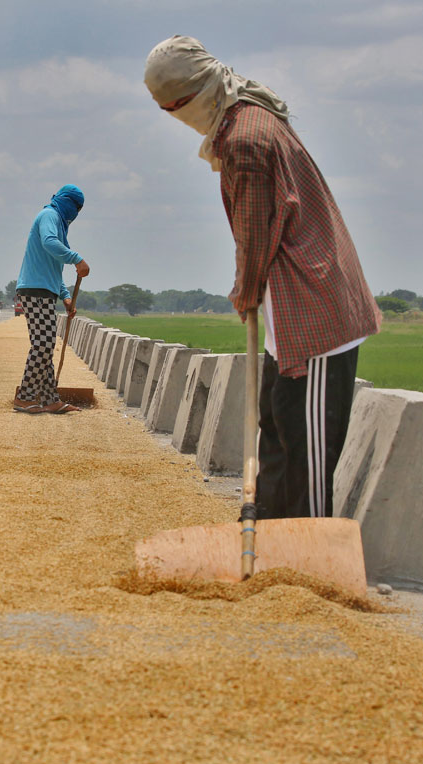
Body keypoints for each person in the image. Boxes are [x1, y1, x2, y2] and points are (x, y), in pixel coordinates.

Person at [143, 36, 382, 518]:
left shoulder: (244, 140)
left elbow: (254, 234)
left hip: (312, 312)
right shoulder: (250, 114)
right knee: (277, 423)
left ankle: (308, 548)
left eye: (176, 108)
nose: (178, 119)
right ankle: (265, 533)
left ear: (197, 93)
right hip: (289, 315)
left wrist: (245, 290)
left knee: (306, 449)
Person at [13, 184, 90, 414]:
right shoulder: (49, 215)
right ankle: (25, 397)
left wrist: (65, 296)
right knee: (43, 345)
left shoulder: (59, 224)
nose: (76, 213)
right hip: (34, 289)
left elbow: (53, 267)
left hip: (45, 290)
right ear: (66, 201)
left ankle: (50, 399)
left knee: (45, 346)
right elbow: (48, 242)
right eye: (76, 207)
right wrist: (76, 259)